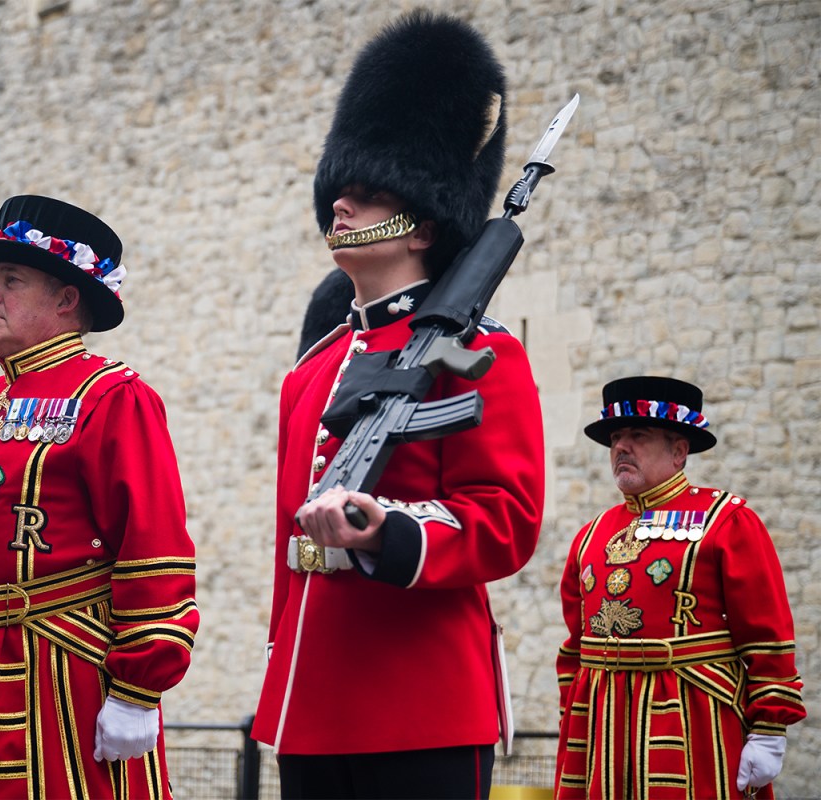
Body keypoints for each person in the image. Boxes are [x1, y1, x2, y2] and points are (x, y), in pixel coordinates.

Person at [252, 12, 545, 799]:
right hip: (310, 703)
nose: (340, 209)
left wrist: (391, 531)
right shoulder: (310, 376)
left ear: (419, 223)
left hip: (421, 706)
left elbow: (505, 518)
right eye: (338, 195)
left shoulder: (482, 353)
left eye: (367, 194)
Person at [0, 195, 199, 799]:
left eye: (12, 279)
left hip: (58, 676)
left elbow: (154, 546)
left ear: (67, 298)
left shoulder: (114, 398)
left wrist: (138, 688)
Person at [554, 376, 806, 799]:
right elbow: (574, 649)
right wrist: (574, 716)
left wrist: (768, 729)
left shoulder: (726, 519)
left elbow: (767, 634)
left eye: (638, 435)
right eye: (616, 437)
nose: (621, 447)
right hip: (602, 726)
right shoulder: (590, 535)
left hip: (690, 718)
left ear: (679, 450)